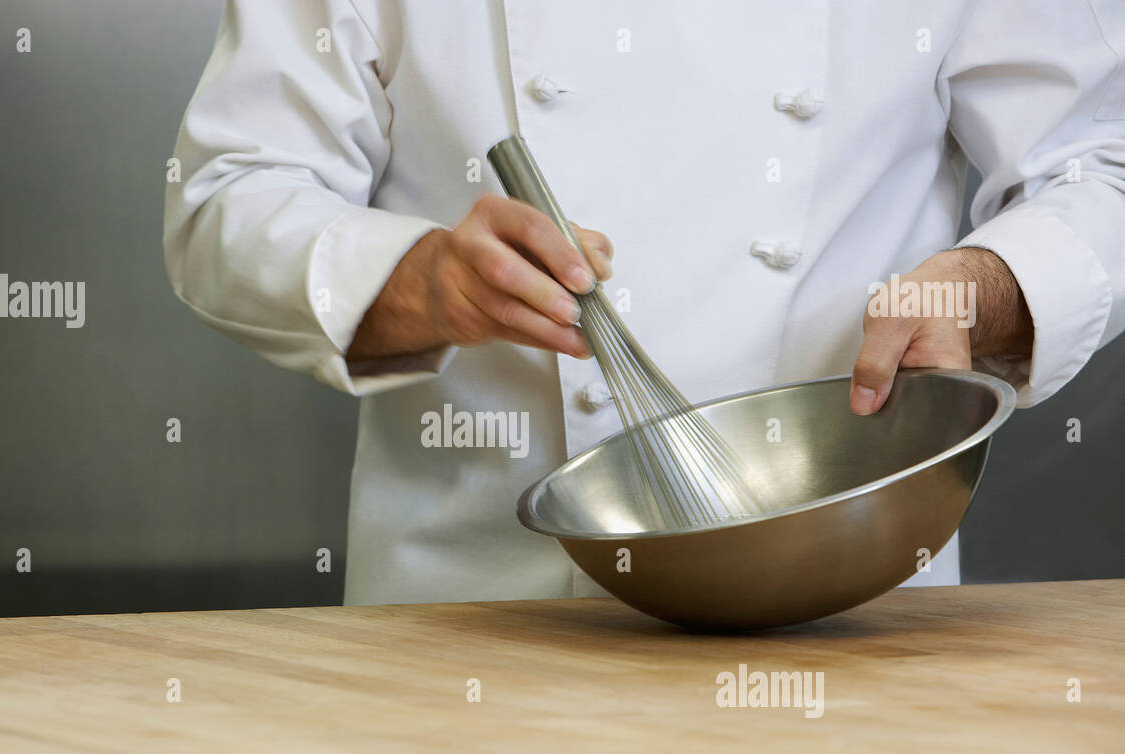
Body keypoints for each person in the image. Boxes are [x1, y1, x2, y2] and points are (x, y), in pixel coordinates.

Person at [164, 0, 1125, 606]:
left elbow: (1104, 167)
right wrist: (422, 279)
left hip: (853, 615)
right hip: (479, 623)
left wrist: (987, 288)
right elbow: (229, 196)